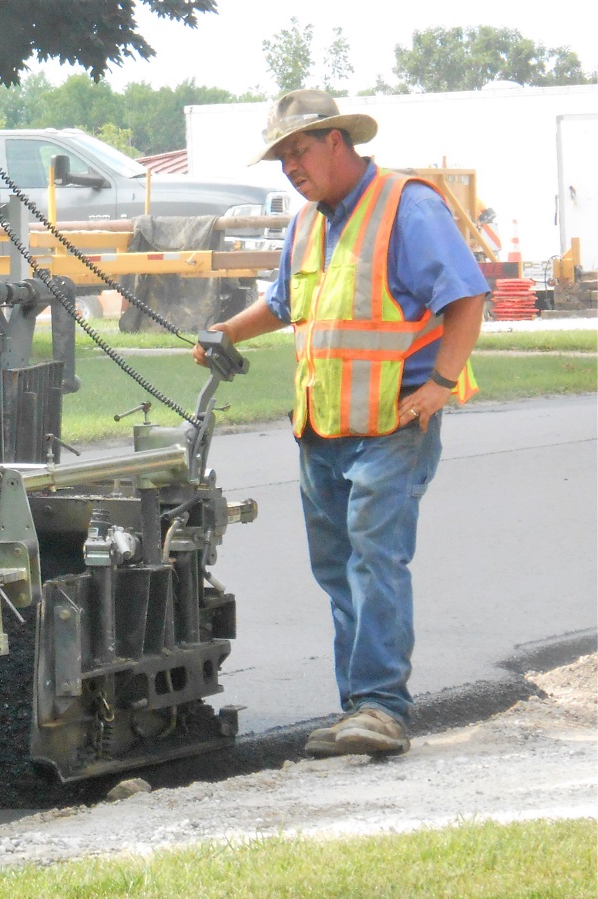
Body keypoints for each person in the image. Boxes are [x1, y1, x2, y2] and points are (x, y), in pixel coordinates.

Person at [194, 90, 488, 757]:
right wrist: (226, 331)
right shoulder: (307, 223)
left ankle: (382, 706)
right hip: (322, 427)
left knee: (374, 558)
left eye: (299, 150)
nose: (291, 167)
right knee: (338, 569)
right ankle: (358, 707)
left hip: (392, 423)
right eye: (281, 157)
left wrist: (441, 385)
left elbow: (467, 296)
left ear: (337, 141)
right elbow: (282, 304)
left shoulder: (406, 206)